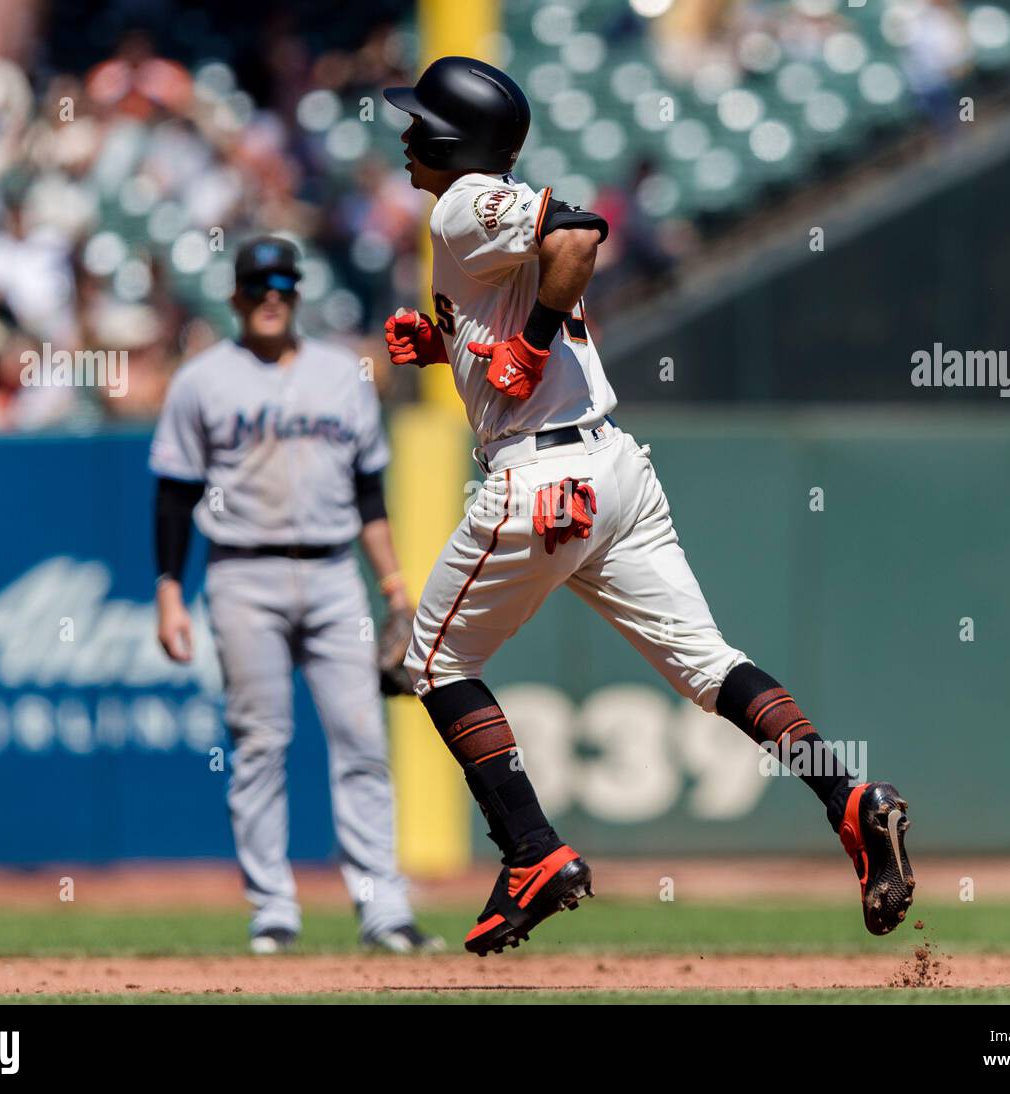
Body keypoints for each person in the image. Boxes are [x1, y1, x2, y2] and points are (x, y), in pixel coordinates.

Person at [382, 57, 915, 955]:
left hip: (541, 477)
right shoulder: (473, 212)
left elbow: (581, 233)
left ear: (449, 139)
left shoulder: (458, 200)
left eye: (417, 122)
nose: (404, 135)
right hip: (615, 468)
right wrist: (452, 345)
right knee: (710, 666)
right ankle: (848, 798)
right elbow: (529, 281)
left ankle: (532, 853)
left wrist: (530, 345)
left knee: (434, 663)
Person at [150, 236, 441, 954]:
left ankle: (383, 913)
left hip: (334, 572)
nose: (271, 296)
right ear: (236, 296)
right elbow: (173, 495)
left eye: (283, 284)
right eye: (257, 285)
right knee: (260, 745)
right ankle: (273, 910)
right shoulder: (202, 380)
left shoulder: (343, 374)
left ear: (299, 293)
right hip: (240, 573)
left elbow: (369, 491)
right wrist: (168, 591)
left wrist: (396, 590)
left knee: (363, 743)